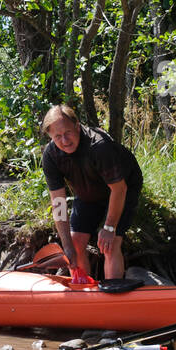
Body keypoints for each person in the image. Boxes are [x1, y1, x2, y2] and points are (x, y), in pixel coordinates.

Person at [41, 105, 144, 282]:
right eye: (57, 136)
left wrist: (109, 227)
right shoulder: (51, 155)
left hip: (122, 188)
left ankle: (112, 294)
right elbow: (58, 201)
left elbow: (119, 189)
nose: (64, 140)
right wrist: (66, 246)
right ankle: (84, 290)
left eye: (68, 133)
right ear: (51, 137)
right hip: (88, 191)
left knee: (110, 244)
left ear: (77, 126)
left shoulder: (99, 146)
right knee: (75, 244)